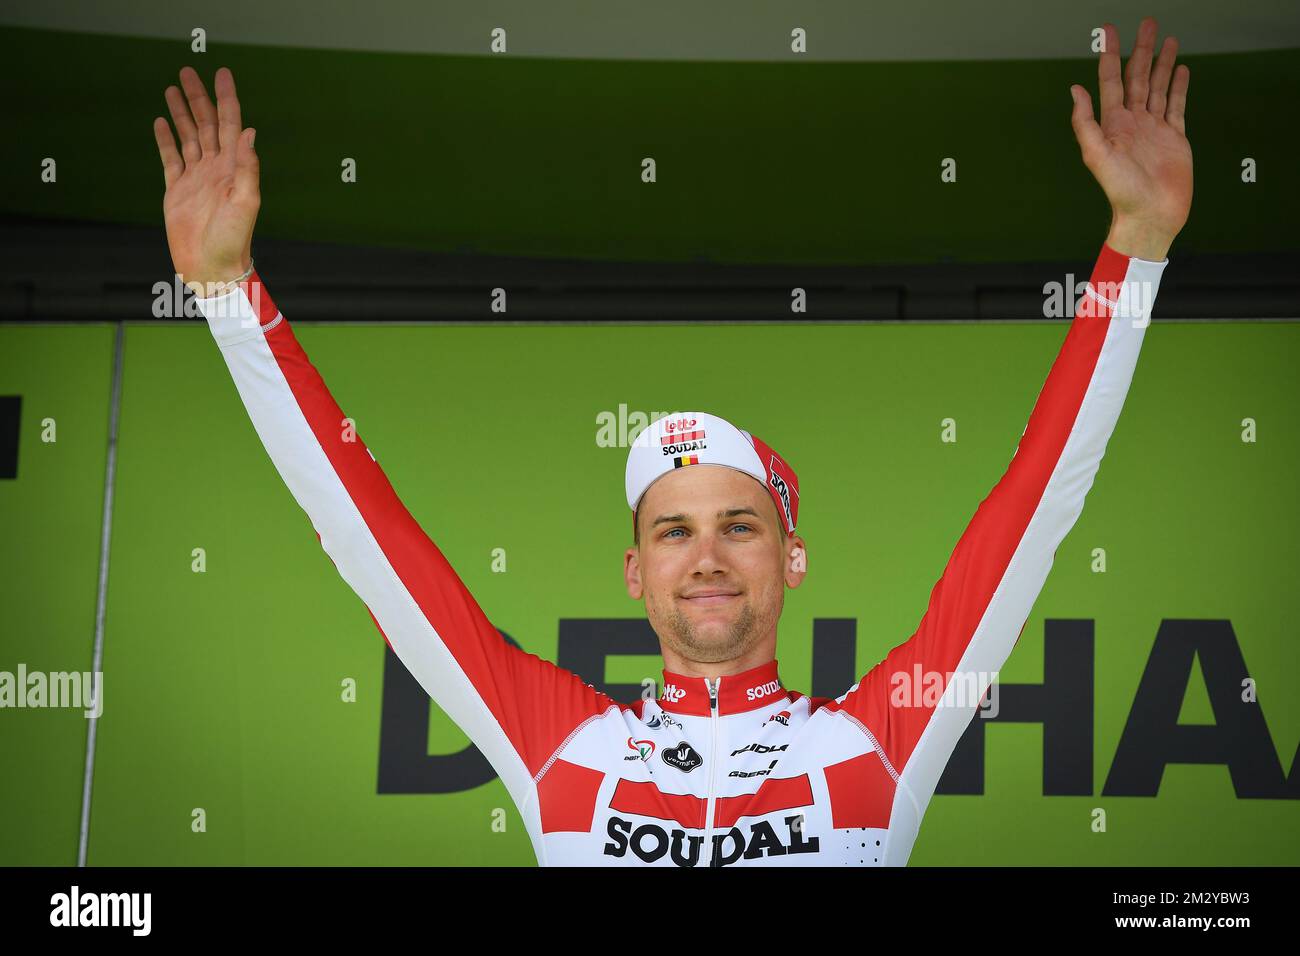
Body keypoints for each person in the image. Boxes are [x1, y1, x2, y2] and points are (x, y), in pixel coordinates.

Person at [154, 16, 1192, 866]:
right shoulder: (557, 743)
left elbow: (1036, 500)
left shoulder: (877, 743)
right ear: (634, 572)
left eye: (739, 525)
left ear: (791, 557)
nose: (705, 557)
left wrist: (1135, 248)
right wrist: (227, 294)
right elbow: (364, 533)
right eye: (673, 531)